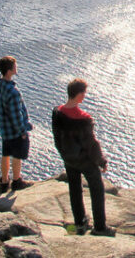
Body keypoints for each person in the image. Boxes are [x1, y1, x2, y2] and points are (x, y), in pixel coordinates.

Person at [51, 78, 113, 236]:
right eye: (84, 93)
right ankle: (100, 227)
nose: (85, 95)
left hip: (69, 159)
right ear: (79, 95)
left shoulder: (57, 113)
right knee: (97, 189)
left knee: (75, 189)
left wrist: (64, 154)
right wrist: (102, 162)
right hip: (85, 161)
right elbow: (91, 145)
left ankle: (80, 223)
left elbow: (57, 139)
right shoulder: (83, 119)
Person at [0, 55, 34, 193]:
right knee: (17, 155)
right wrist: (22, 132)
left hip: (3, 127)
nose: (17, 68)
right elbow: (16, 116)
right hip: (15, 130)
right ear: (9, 71)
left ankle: (4, 182)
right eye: (15, 66)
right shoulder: (13, 92)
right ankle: (16, 181)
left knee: (5, 153)